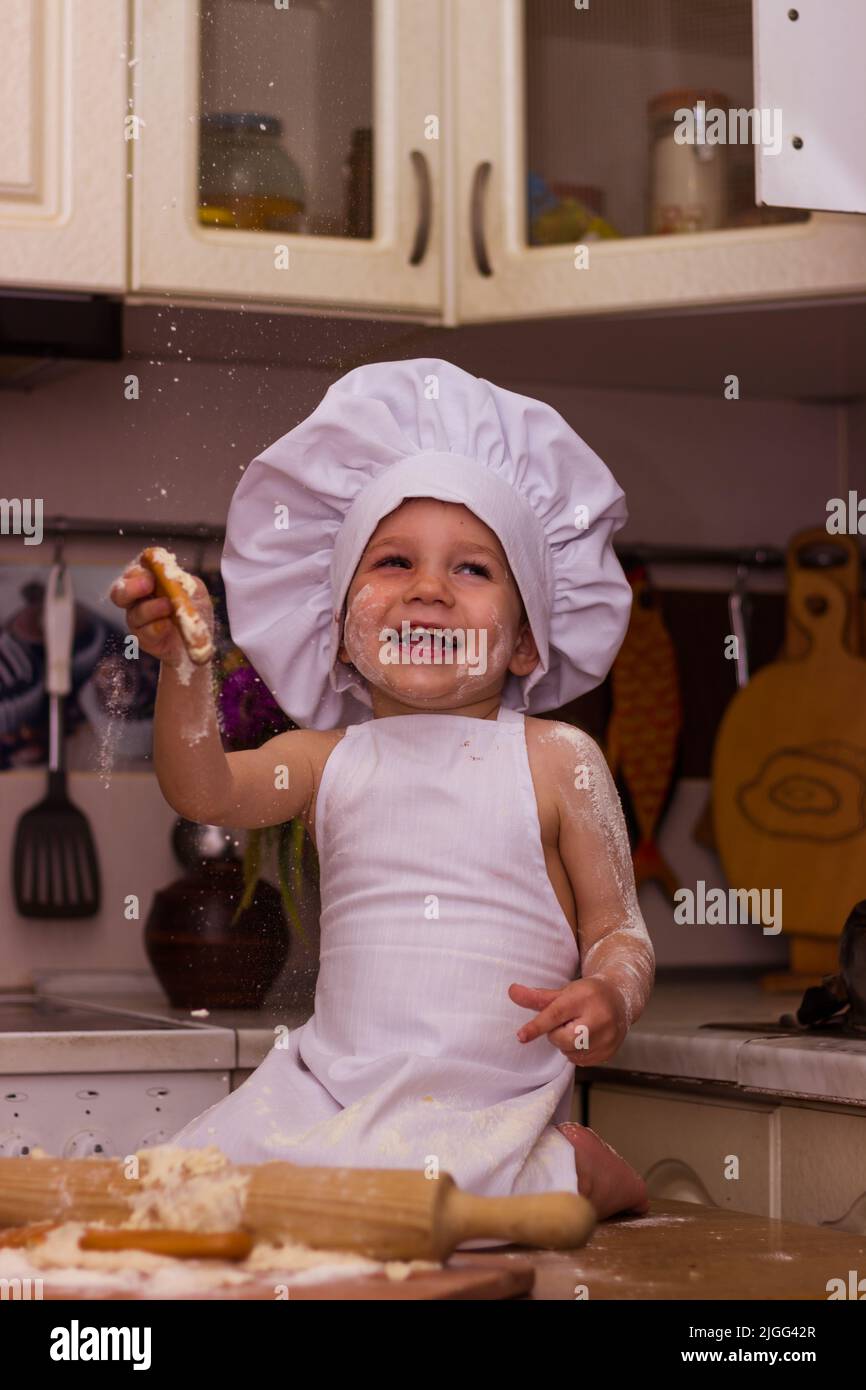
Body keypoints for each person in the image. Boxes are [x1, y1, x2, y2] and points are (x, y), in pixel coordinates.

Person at [111, 358, 654, 1232]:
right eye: (394, 561)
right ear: (339, 623)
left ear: (526, 641)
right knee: (191, 1194)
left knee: (461, 1196)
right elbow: (203, 788)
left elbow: (620, 930)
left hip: (487, 1107)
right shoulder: (328, 760)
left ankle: (586, 1167)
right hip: (328, 1088)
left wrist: (610, 993)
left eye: (474, 570)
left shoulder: (559, 759)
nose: (429, 588)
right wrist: (186, 664)